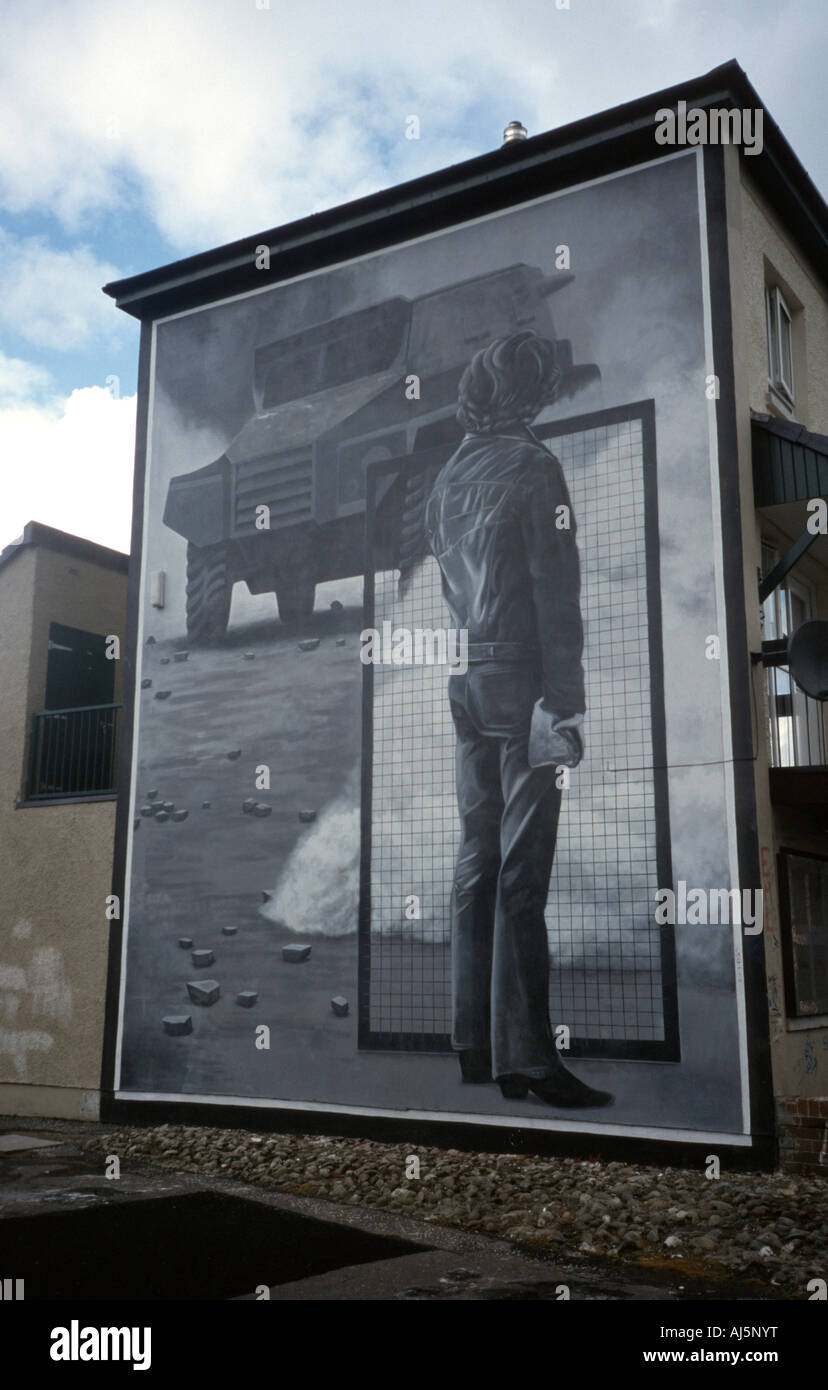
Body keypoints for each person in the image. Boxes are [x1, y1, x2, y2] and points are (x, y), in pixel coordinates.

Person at [424, 330, 613, 1108]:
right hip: (523, 679)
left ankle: (473, 1043)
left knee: (477, 861)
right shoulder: (537, 468)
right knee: (521, 876)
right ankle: (529, 1061)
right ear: (531, 395)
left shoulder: (448, 478)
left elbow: (451, 589)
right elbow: (554, 594)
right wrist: (561, 702)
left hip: (468, 679)